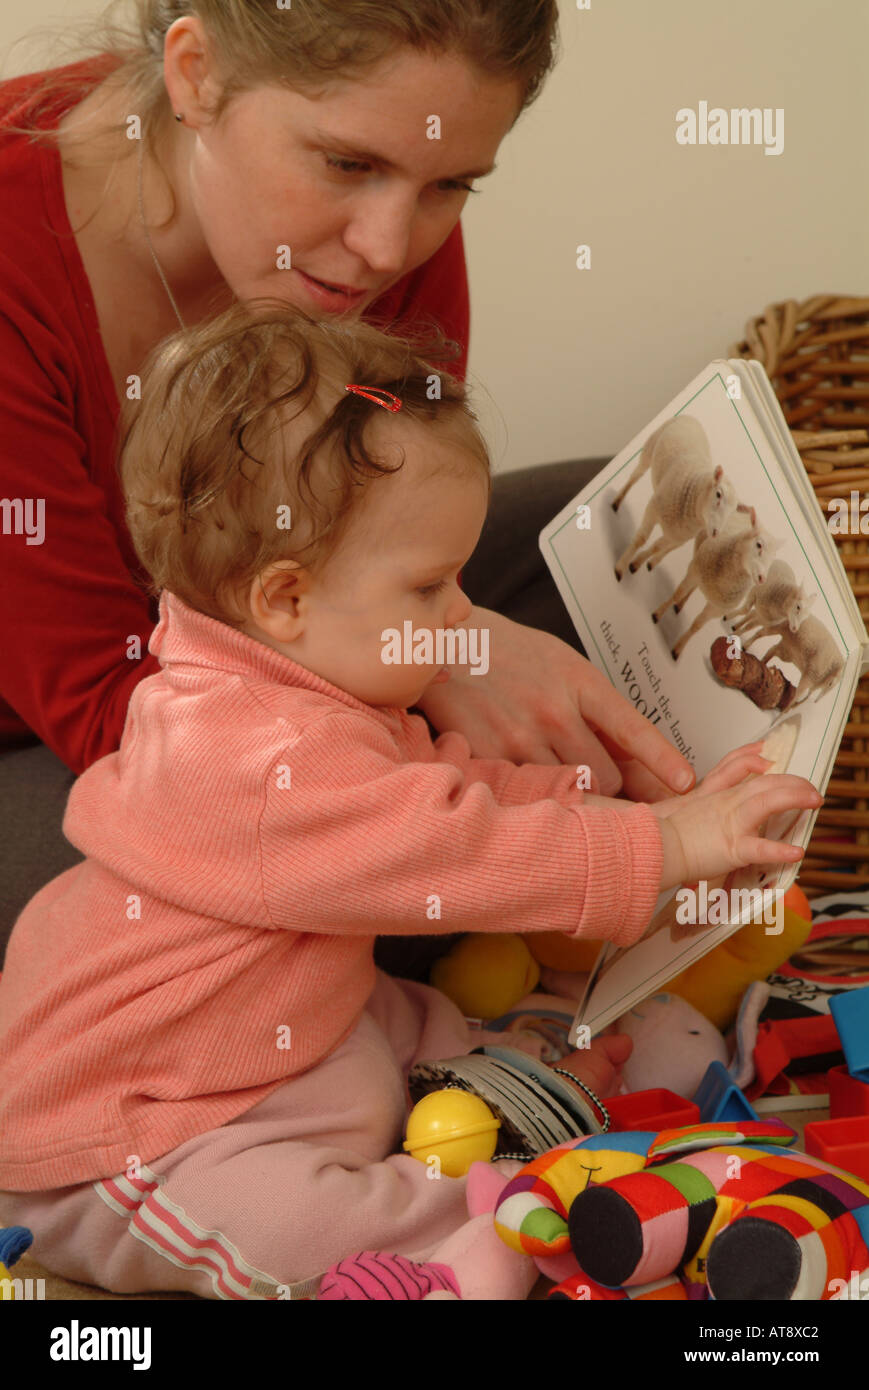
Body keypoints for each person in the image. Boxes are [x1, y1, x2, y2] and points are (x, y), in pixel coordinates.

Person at [0, 303, 823, 1299]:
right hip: (147, 1126)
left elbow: (450, 791)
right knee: (291, 1219)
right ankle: (457, 1236)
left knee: (412, 1024)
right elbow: (453, 849)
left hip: (300, 1021)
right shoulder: (255, 757)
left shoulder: (298, 679)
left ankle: (523, 1060)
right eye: (429, 586)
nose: (463, 614)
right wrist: (659, 843)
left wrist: (625, 816)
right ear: (287, 599)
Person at [0, 1, 698, 968]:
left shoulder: (378, 235)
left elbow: (400, 525)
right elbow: (114, 717)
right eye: (346, 164)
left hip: (297, 652)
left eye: (450, 183)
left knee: (604, 535)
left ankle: (499, 866)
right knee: (188, 891)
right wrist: (440, 654)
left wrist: (432, 643)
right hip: (78, 744)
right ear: (195, 73)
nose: (387, 246)